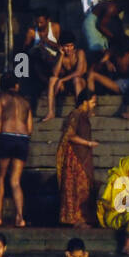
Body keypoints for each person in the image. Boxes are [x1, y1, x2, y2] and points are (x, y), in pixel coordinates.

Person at [0, 73, 32, 227]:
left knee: (1, 177)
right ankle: (20, 218)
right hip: (22, 139)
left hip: (6, 137)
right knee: (15, 181)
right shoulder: (25, 102)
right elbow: (29, 129)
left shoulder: (0, 99)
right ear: (16, 86)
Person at [56, 90, 99, 227]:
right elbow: (69, 135)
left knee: (84, 188)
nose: (94, 105)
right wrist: (88, 143)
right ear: (84, 102)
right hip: (75, 158)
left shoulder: (83, 116)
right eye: (92, 102)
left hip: (83, 156)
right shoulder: (75, 114)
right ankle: (76, 220)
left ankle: (83, 219)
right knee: (77, 188)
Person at [42, 38, 88, 123]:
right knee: (52, 79)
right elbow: (55, 73)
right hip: (68, 85)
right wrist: (61, 55)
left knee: (76, 79)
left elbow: (79, 72)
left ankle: (80, 112)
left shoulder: (79, 52)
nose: (69, 48)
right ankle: (51, 112)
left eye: (71, 46)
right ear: (62, 47)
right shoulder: (61, 55)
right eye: (66, 46)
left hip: (81, 84)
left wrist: (62, 80)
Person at [22, 10, 61, 97]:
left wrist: (47, 41)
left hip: (53, 58)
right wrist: (36, 47)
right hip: (38, 59)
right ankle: (48, 86)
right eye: (36, 22)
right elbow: (25, 49)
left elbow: (60, 47)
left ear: (48, 20)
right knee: (34, 60)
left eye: (41, 22)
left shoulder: (55, 27)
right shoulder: (31, 31)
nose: (39, 25)